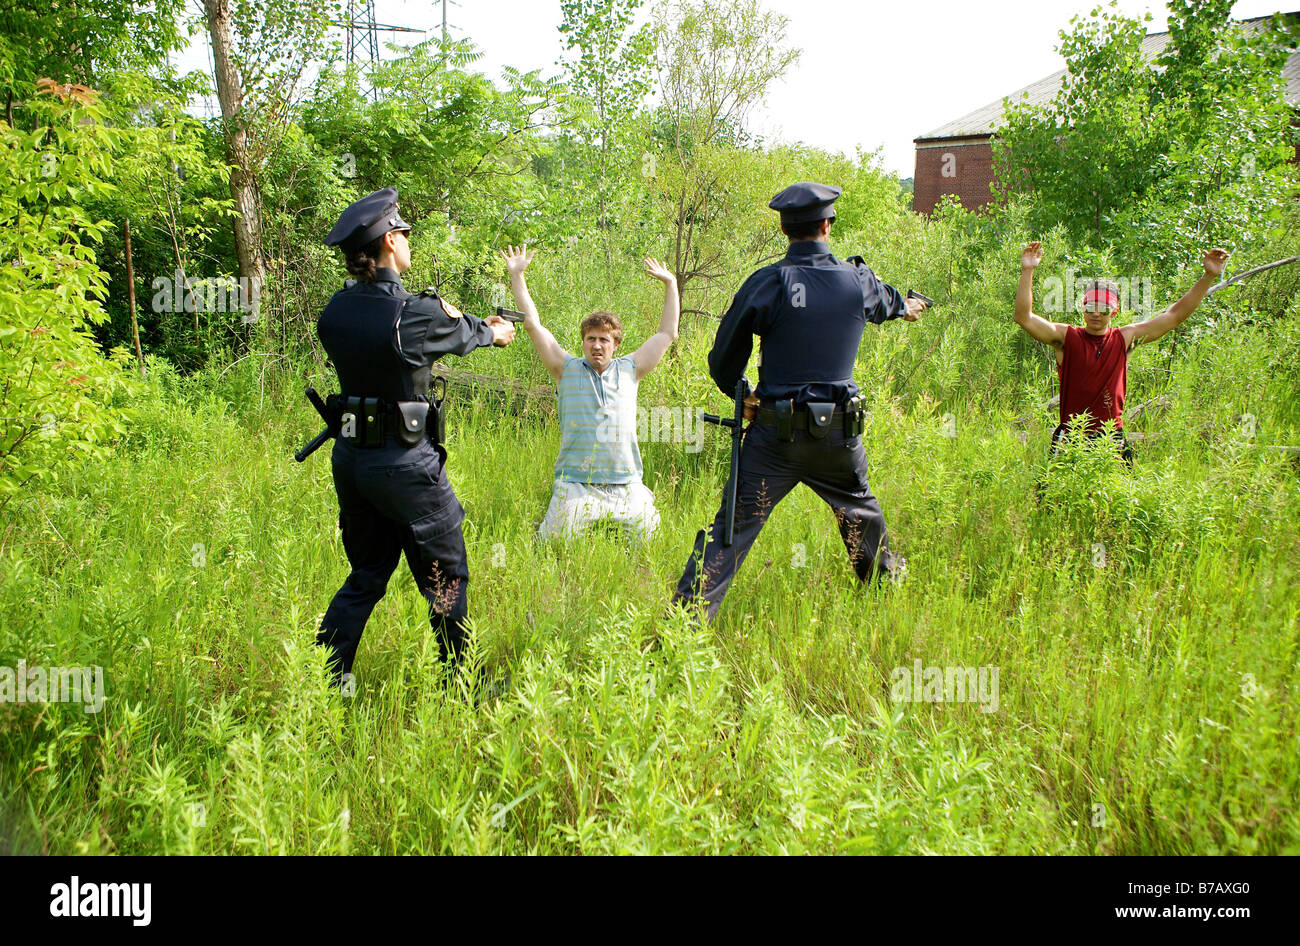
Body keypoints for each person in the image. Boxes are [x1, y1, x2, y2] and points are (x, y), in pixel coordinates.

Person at [671, 182, 929, 624]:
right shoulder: (857, 281)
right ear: (828, 225)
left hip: (775, 438)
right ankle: (888, 603)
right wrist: (907, 306)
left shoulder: (766, 283)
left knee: (731, 531)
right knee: (860, 515)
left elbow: (722, 358)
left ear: (786, 230)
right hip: (838, 440)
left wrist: (742, 391)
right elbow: (888, 304)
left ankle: (686, 624)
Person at [314, 187, 516, 688]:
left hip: (353, 460)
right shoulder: (415, 313)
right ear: (386, 243)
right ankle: (461, 684)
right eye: (402, 231)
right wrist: (494, 331)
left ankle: (324, 680)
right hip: (406, 466)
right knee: (446, 577)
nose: (407, 238)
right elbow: (473, 334)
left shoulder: (334, 312)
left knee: (366, 575)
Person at [501, 244, 679, 540]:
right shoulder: (565, 369)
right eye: (591, 339)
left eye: (604, 340)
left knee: (649, 539)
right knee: (554, 543)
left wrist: (671, 283)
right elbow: (533, 325)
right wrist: (517, 275)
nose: (597, 345)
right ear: (583, 342)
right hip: (576, 483)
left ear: (615, 344)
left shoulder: (630, 369)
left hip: (625, 484)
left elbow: (666, 334)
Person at [1014, 241, 1230, 463]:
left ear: (1114, 311)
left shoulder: (1124, 339)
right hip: (1071, 438)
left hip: (1111, 438)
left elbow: (1173, 316)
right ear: (1083, 307)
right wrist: (1028, 270)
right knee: (1056, 497)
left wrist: (1208, 278)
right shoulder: (1065, 338)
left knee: (1116, 497)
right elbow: (1024, 317)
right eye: (1090, 307)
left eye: (1104, 308)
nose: (1096, 314)